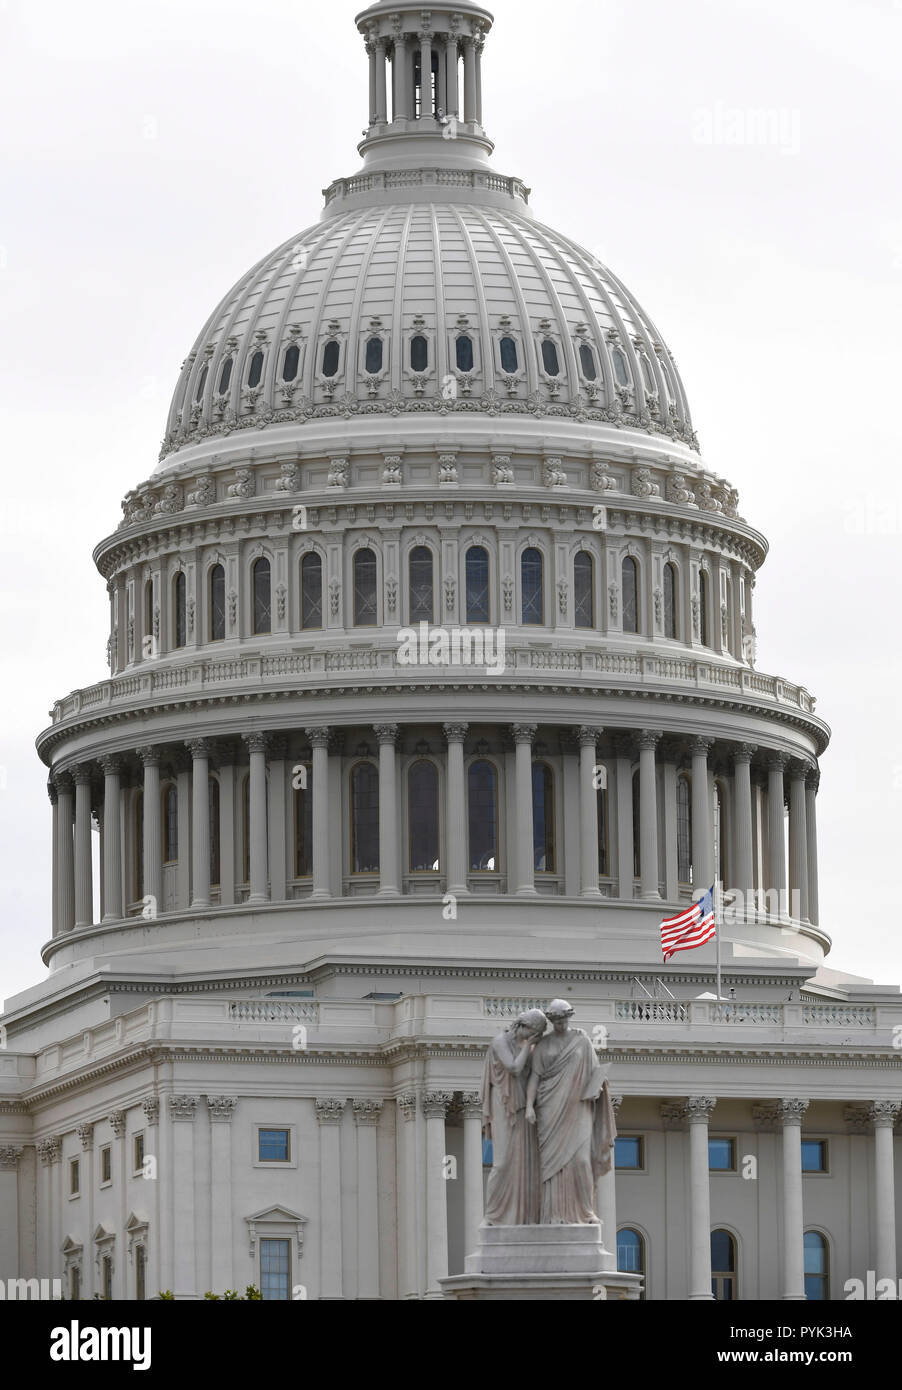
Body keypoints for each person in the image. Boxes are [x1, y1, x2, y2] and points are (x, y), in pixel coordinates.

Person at [525, 999, 615, 1224]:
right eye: (557, 1020)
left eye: (564, 1019)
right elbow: (535, 1077)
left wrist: (597, 1089)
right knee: (551, 1166)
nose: (561, 1024)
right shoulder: (543, 1045)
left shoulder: (582, 1040)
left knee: (581, 1160)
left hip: (578, 1106)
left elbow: (595, 1072)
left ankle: (586, 1212)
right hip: (549, 1107)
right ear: (551, 1020)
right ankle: (553, 1214)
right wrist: (528, 1106)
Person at [481, 1008, 547, 1224]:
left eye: (535, 1035)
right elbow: (513, 1068)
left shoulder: (531, 1046)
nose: (532, 1037)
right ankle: (493, 1215)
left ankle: (522, 1216)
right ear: (522, 1025)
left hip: (523, 1107)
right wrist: (528, 1046)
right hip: (504, 1103)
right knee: (502, 1162)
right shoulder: (500, 1041)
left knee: (524, 1163)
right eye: (532, 1032)